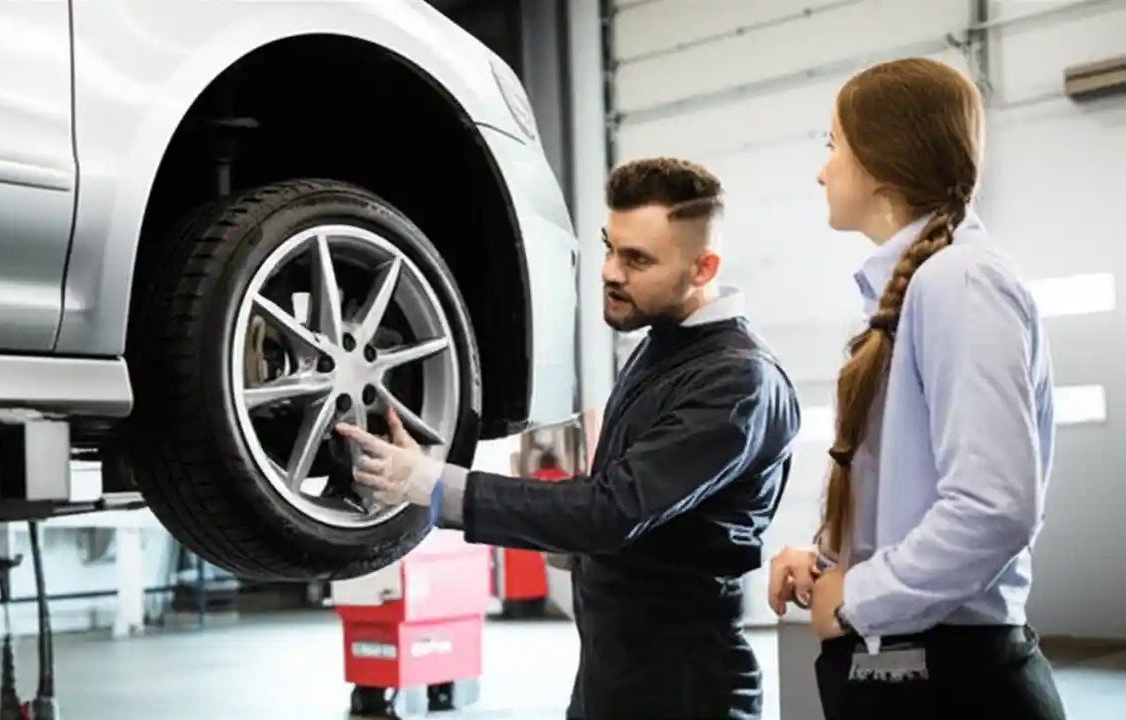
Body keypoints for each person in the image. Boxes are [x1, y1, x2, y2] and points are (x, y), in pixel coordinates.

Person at [337, 157, 801, 720]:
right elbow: (636, 515)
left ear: (703, 268)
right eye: (610, 247)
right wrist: (566, 539)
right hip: (613, 682)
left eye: (637, 260)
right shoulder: (666, 345)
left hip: (684, 694)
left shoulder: (737, 380)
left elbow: (611, 509)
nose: (609, 272)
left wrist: (434, 485)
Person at [766, 57, 1067, 719]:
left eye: (833, 146)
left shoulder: (957, 281)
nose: (822, 170)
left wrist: (856, 596)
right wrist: (827, 562)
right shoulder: (930, 281)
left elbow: (994, 508)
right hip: (924, 662)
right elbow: (912, 490)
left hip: (952, 680)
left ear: (880, 160)